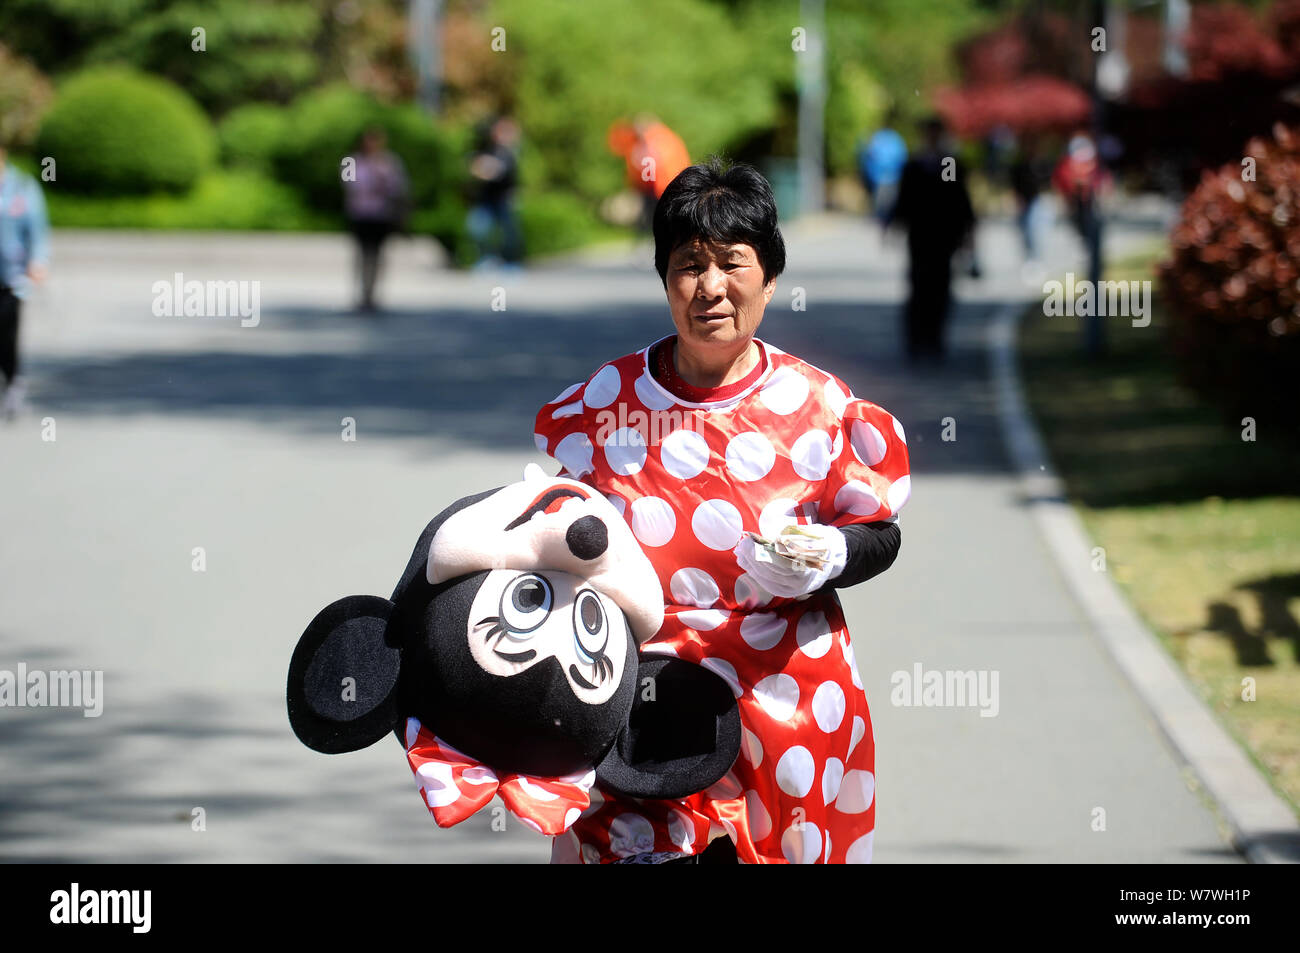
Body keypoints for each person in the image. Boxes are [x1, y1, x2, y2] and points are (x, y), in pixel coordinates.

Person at [534, 158, 910, 864]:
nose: (709, 286)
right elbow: (560, 533)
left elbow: (880, 534)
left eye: (732, 263)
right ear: (664, 278)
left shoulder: (821, 406)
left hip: (787, 698)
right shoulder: (608, 400)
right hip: (637, 693)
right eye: (687, 264)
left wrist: (829, 557)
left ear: (769, 277)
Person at [886, 116, 975, 363]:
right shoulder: (913, 165)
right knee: (917, 286)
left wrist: (969, 234)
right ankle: (916, 340)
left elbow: (961, 200)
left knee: (941, 289)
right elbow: (903, 200)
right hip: (919, 238)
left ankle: (935, 339)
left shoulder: (951, 164)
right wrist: (892, 227)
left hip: (945, 239)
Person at [0, 144, 50, 419]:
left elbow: (37, 229)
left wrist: (38, 261)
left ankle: (13, 383)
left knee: (7, 335)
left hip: (12, 275)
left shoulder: (21, 187)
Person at [343, 127, 409, 313]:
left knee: (378, 254)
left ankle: (373, 293)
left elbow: (398, 187)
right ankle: (363, 292)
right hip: (361, 214)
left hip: (381, 214)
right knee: (362, 254)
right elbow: (350, 185)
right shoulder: (352, 161)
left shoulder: (390, 162)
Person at [607, 115, 691, 233]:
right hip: (667, 187)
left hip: (664, 189)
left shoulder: (656, 142)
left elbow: (653, 168)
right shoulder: (663, 139)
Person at [467, 116, 523, 269]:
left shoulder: (509, 153)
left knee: (509, 234)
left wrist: (485, 170)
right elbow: (474, 168)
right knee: (478, 229)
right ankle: (487, 260)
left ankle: (511, 263)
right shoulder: (486, 148)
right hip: (486, 198)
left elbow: (496, 172)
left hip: (504, 199)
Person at [856, 116, 908, 223]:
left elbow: (869, 155)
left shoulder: (877, 139)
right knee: (888, 201)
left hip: (879, 176)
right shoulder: (896, 139)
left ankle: (881, 217)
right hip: (892, 176)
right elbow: (902, 157)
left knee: (881, 202)